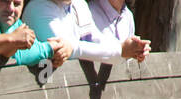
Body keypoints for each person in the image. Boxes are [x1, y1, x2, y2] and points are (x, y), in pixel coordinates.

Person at [22, 0, 151, 63]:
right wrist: (120, 51)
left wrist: (133, 49)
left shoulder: (79, 4)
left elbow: (96, 40)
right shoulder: (38, 7)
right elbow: (64, 50)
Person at [0, 1, 74, 69]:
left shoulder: (16, 23)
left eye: (16, 4)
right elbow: (12, 56)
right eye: (4, 1)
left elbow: (33, 48)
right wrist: (50, 48)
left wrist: (64, 47)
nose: (11, 9)